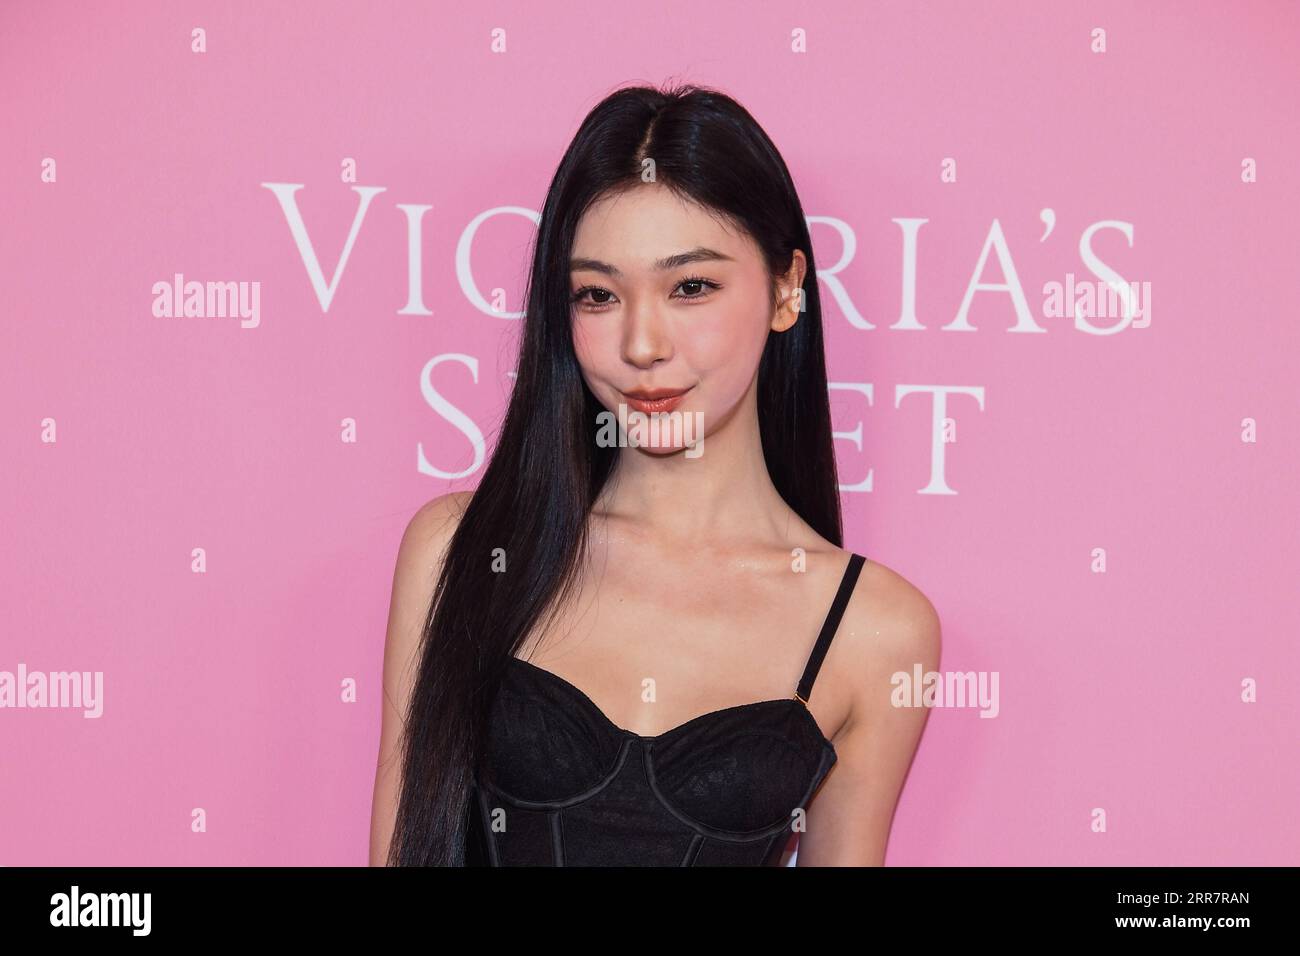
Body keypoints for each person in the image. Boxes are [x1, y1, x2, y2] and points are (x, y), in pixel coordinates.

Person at [370, 82, 940, 866]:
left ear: (785, 289)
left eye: (691, 287)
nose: (642, 343)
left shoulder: (876, 630)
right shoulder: (456, 550)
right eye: (598, 294)